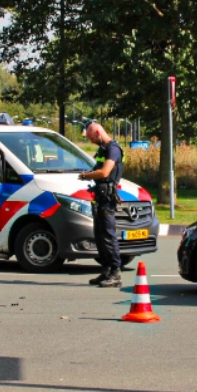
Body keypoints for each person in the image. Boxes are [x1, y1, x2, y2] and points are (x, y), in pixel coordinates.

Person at [79, 120, 124, 288]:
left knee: (108, 234)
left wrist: (86, 176)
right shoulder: (102, 149)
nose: (91, 141)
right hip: (99, 196)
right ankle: (105, 270)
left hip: (107, 197)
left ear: (98, 132)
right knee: (99, 235)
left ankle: (115, 272)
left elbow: (105, 172)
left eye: (91, 137)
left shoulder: (113, 149)